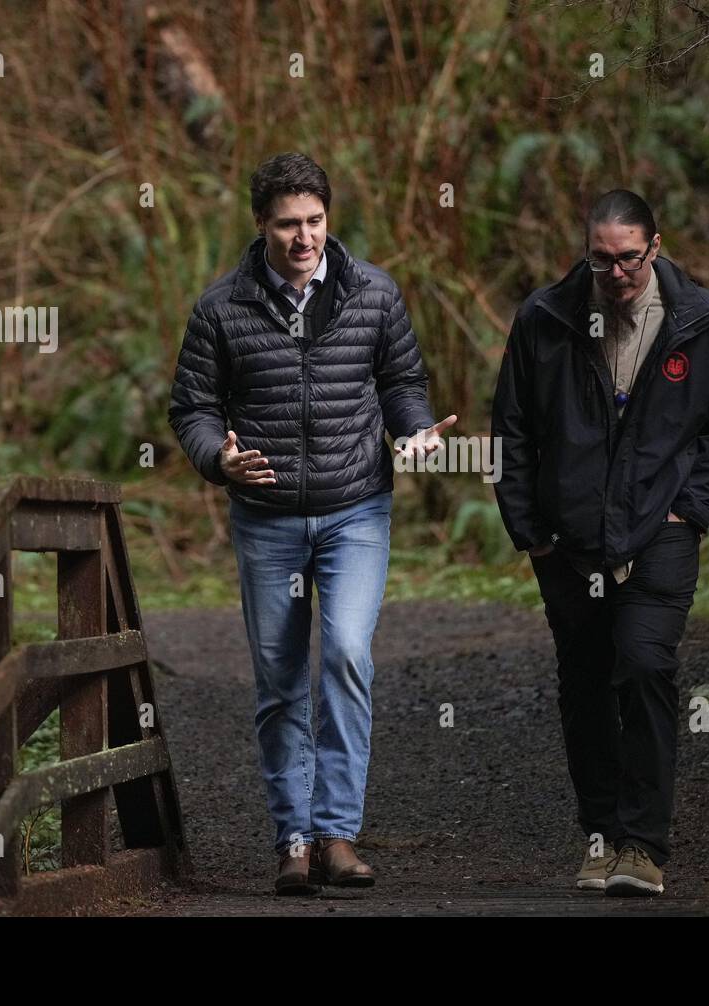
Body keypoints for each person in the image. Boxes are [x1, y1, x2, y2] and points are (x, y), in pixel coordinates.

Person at [168, 152, 455, 895]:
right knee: (280, 680)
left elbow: (400, 380)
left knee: (349, 654)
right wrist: (215, 459)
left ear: (330, 218)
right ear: (262, 225)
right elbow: (192, 407)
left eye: (316, 222)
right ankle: (292, 839)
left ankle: (337, 834)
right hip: (267, 520)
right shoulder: (220, 309)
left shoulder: (373, 293)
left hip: (356, 507)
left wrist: (415, 429)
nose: (305, 238)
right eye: (290, 224)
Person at [491, 189, 709, 896]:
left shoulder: (699, 320)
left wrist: (690, 512)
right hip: (567, 541)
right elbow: (510, 430)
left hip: (661, 529)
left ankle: (643, 845)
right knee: (584, 684)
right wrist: (531, 534)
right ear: (586, 252)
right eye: (601, 259)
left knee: (642, 666)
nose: (616, 272)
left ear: (655, 248)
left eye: (629, 258)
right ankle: (602, 836)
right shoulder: (545, 319)